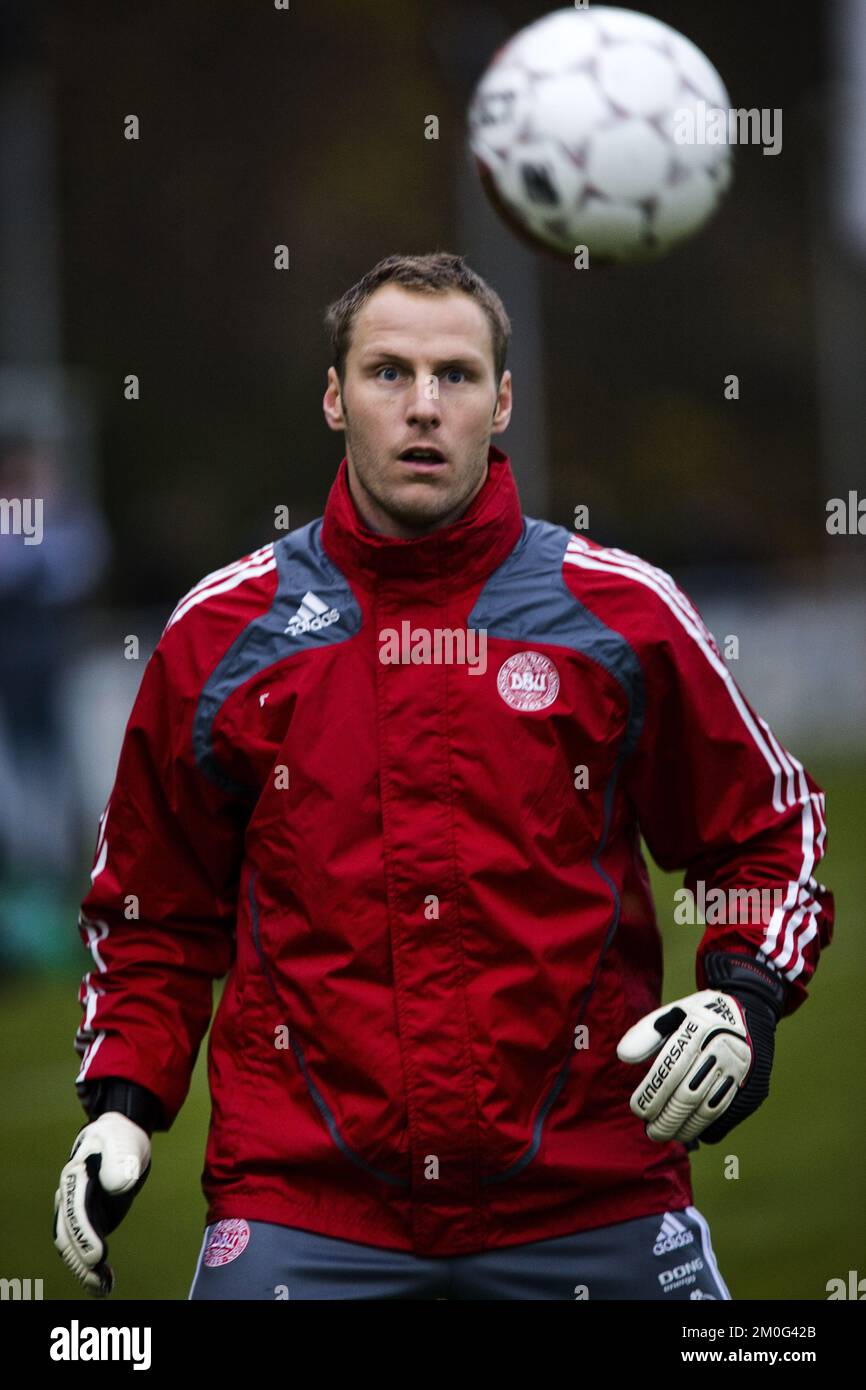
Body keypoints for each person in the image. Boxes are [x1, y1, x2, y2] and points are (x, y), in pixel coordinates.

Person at [53, 252, 834, 1301]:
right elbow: (153, 910)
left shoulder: (622, 615)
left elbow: (764, 829)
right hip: (303, 1206)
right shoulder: (222, 637)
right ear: (333, 398)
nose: (422, 406)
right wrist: (124, 1098)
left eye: (456, 376)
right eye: (386, 373)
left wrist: (742, 997)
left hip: (591, 1193)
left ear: (501, 400)